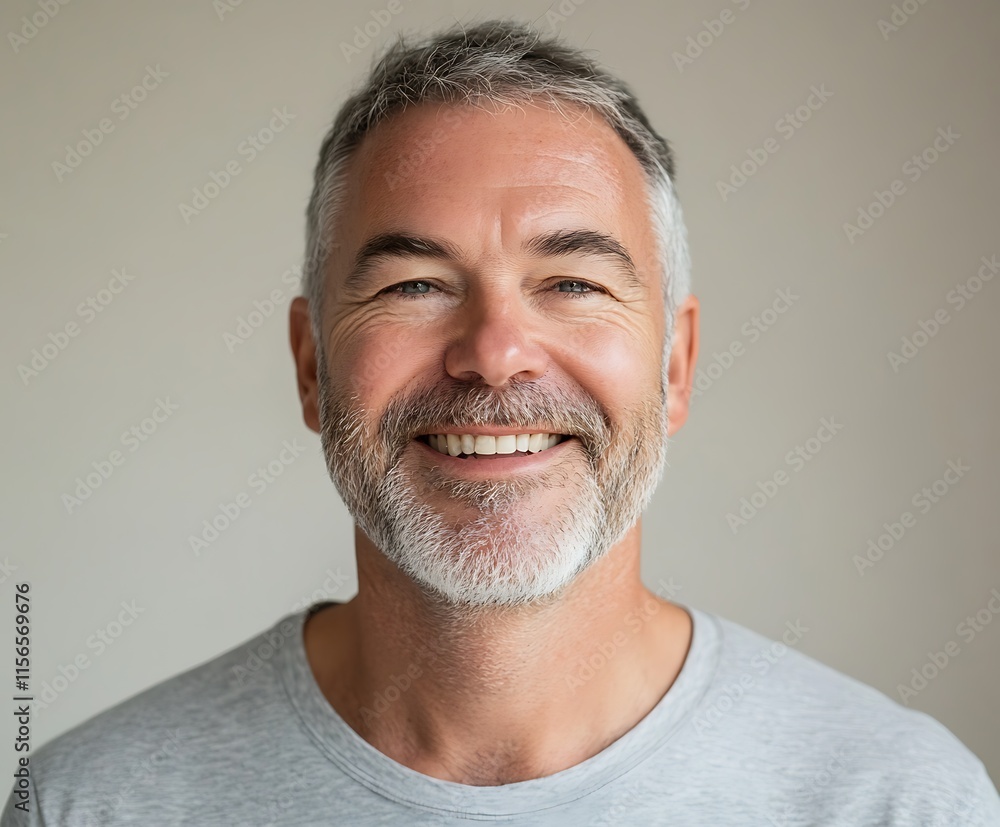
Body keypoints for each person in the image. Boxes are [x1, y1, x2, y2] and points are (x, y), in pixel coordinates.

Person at [5, 19, 998, 826]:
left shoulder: (897, 800)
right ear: (311, 366)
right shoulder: (92, 803)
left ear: (675, 364)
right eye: (414, 283)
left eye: (571, 280)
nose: (494, 350)